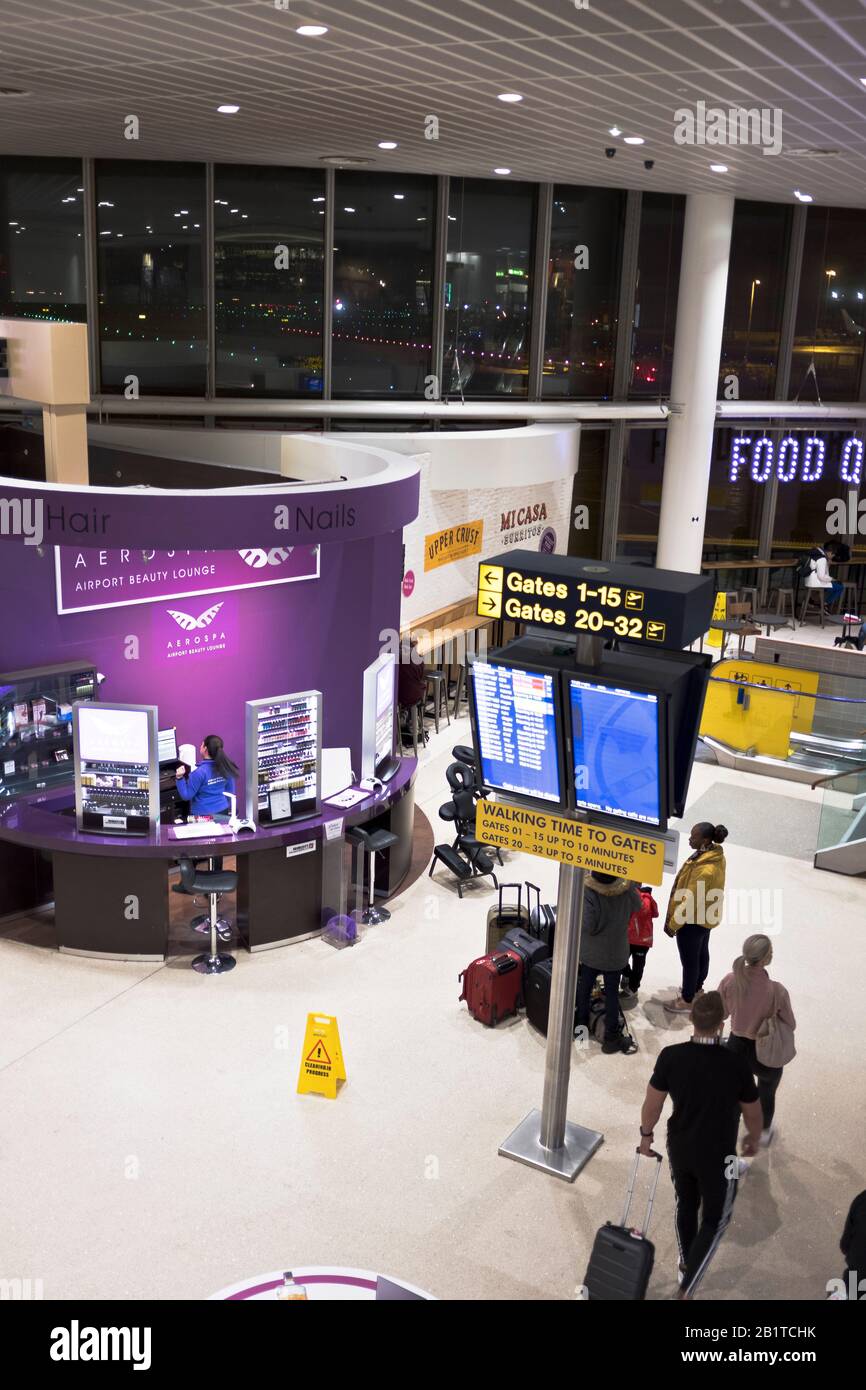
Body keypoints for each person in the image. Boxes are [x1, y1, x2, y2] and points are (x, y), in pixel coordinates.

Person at [639, 991, 762, 1300]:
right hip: (720, 1155)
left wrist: (645, 1135)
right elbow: (753, 1112)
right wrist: (753, 1139)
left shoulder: (671, 1056)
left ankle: (685, 1262)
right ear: (723, 1024)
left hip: (679, 1145)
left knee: (686, 1202)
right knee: (717, 1218)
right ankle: (687, 1287)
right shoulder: (736, 1064)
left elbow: (652, 1105)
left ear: (691, 1020)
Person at [718, 935, 796, 1147]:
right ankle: (762, 1134)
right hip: (765, 1054)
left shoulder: (729, 980)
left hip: (734, 1049)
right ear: (767, 957)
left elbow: (721, 1013)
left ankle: (729, 1133)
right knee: (766, 1093)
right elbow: (790, 1022)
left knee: (734, 1094)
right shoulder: (777, 990)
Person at [663, 823, 728, 1014]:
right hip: (706, 917)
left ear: (705, 840)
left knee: (690, 961)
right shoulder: (715, 856)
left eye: (694, 836)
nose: (690, 839)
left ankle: (687, 999)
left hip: (692, 920)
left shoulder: (704, 869)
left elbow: (690, 901)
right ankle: (697, 988)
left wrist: (673, 923)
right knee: (701, 954)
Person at [575, 872, 641, 1054]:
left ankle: (581, 1032)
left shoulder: (588, 890)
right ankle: (611, 1039)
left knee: (584, 989)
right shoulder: (626, 888)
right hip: (616, 951)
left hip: (591, 953)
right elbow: (638, 905)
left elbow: (588, 924)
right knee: (612, 994)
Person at [175, 734, 239, 816]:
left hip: (202, 815)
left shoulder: (199, 773)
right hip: (223, 811)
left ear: (205, 749)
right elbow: (230, 792)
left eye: (202, 744)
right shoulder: (226, 767)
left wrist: (179, 778)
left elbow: (186, 796)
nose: (200, 746)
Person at [621, 883, 658, 1000]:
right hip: (632, 938)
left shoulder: (644, 899)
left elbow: (650, 912)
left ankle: (633, 986)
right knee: (625, 961)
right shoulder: (629, 896)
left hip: (640, 940)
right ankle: (629, 978)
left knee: (634, 964)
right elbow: (655, 913)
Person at [803, 543, 843, 609]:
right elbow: (822, 577)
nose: (832, 557)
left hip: (808, 580)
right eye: (833, 555)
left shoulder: (816, 554)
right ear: (830, 553)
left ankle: (811, 601)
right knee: (840, 587)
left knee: (831, 586)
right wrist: (832, 579)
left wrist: (828, 564)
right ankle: (824, 605)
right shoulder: (822, 559)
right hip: (816, 582)